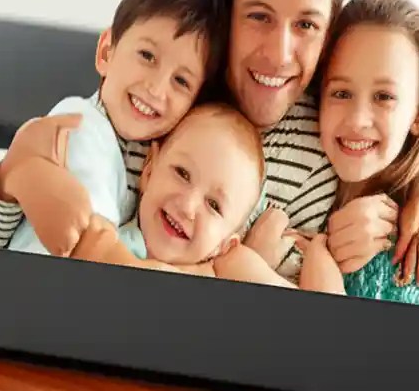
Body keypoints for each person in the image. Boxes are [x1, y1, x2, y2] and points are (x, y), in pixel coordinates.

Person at [0, 0, 419, 284]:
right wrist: (14, 176)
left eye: (306, 24)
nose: (278, 52)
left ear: (327, 37)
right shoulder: (169, 105)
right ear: (228, 12)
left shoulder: (326, 140)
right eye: (259, 16)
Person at [0, 0, 226, 256]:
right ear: (107, 52)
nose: (156, 88)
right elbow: (95, 248)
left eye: (181, 81)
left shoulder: (164, 159)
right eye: (147, 56)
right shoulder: (78, 126)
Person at [290, 0, 419, 307]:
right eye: (341, 93)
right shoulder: (295, 175)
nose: (358, 120)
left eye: (384, 97)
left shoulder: (408, 252)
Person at [69, 103, 287, 288]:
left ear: (224, 246)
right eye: (182, 174)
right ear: (149, 169)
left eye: (213, 205)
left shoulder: (229, 270)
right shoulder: (105, 243)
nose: (188, 206)